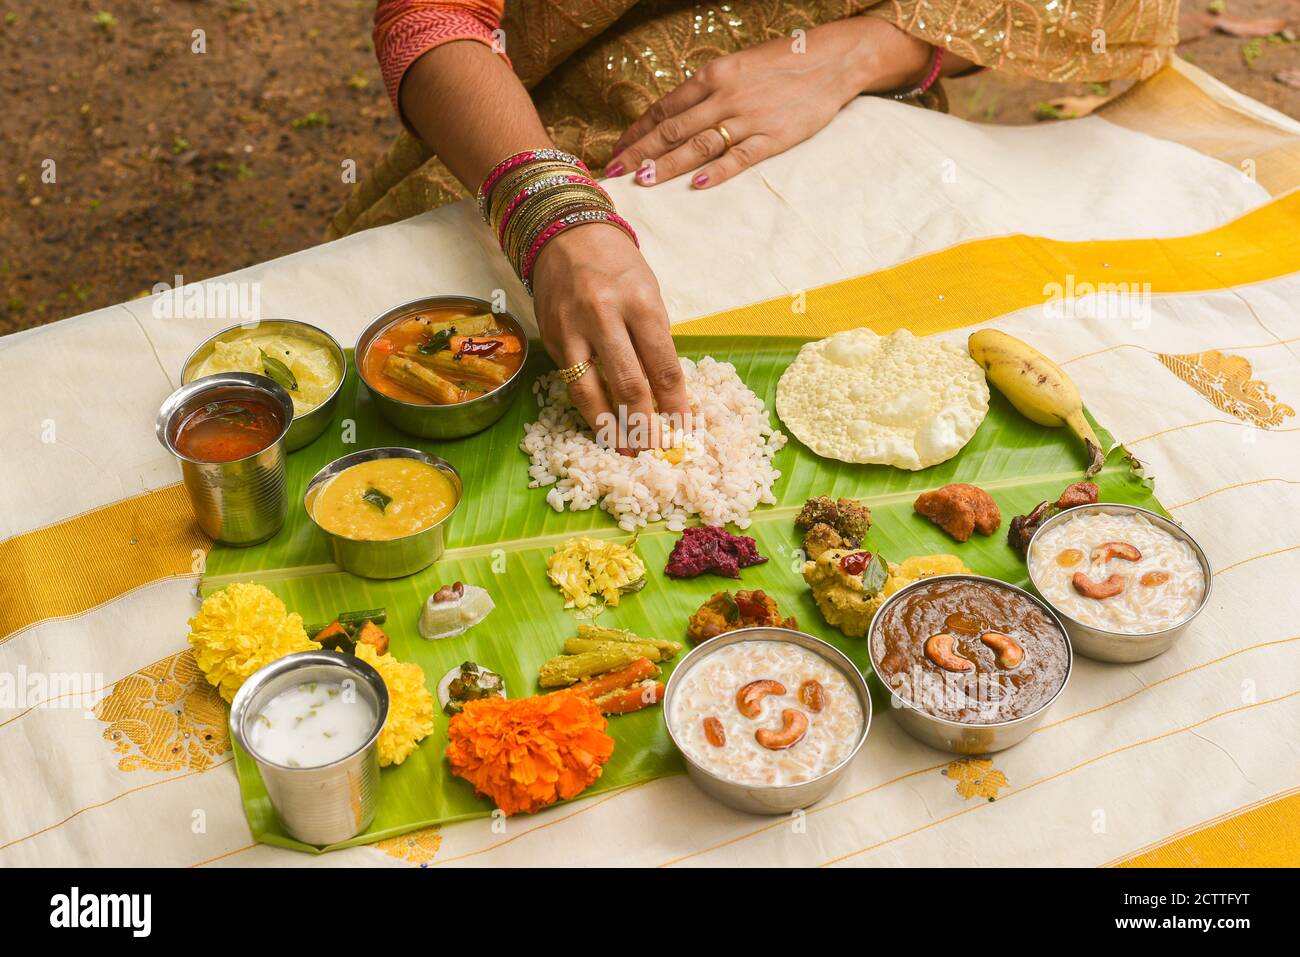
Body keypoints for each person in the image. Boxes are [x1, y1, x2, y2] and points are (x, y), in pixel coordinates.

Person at [331, 0, 1177, 440]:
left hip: (855, 127)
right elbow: (430, 19)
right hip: (550, 143)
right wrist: (547, 209)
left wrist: (852, 54)